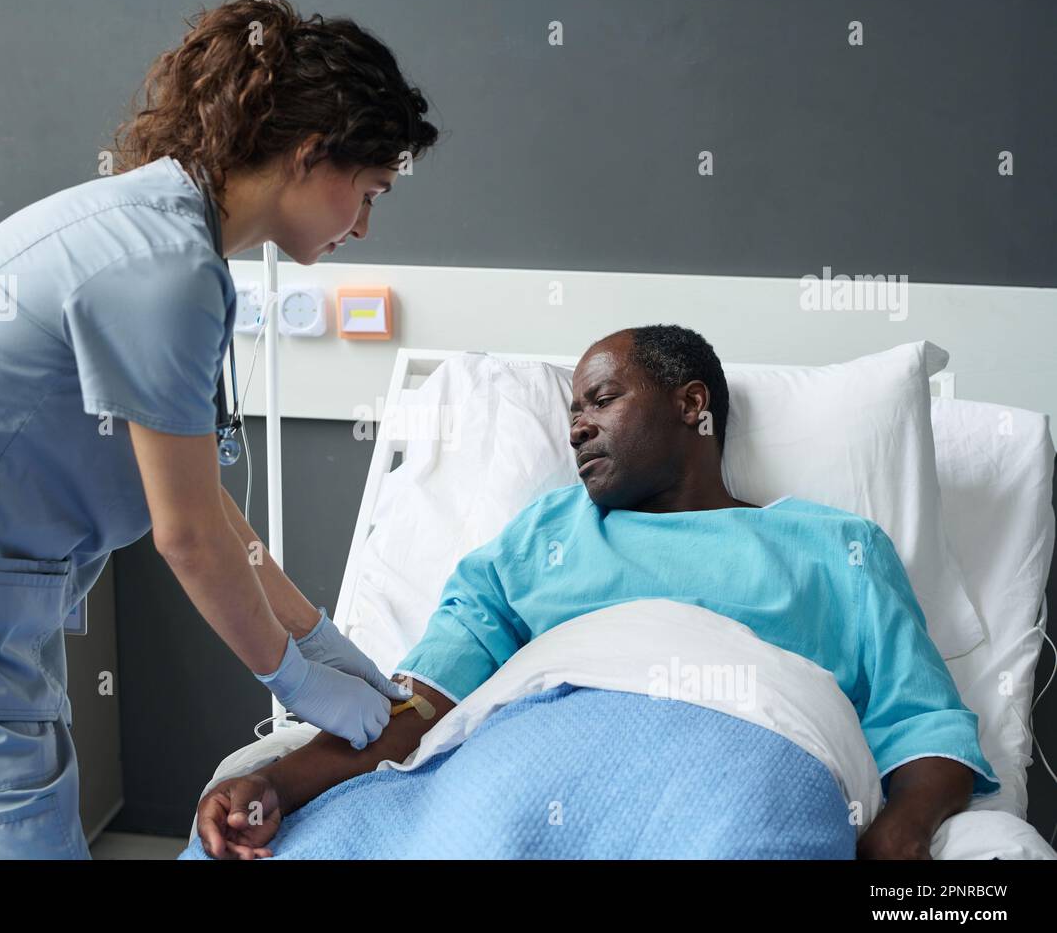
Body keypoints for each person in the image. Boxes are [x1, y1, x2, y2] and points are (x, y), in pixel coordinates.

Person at [0, 0, 439, 858]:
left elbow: (200, 499)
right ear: (309, 155)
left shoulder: (156, 229)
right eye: (368, 192)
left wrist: (318, 639)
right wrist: (295, 682)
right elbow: (190, 537)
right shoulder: (166, 272)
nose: (363, 223)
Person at [196, 325, 999, 860]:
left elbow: (921, 725)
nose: (575, 426)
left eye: (602, 400)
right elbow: (421, 704)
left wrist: (900, 835)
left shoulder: (834, 548)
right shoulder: (543, 537)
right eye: (570, 410)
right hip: (509, 763)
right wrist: (273, 783)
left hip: (741, 763)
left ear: (693, 405)